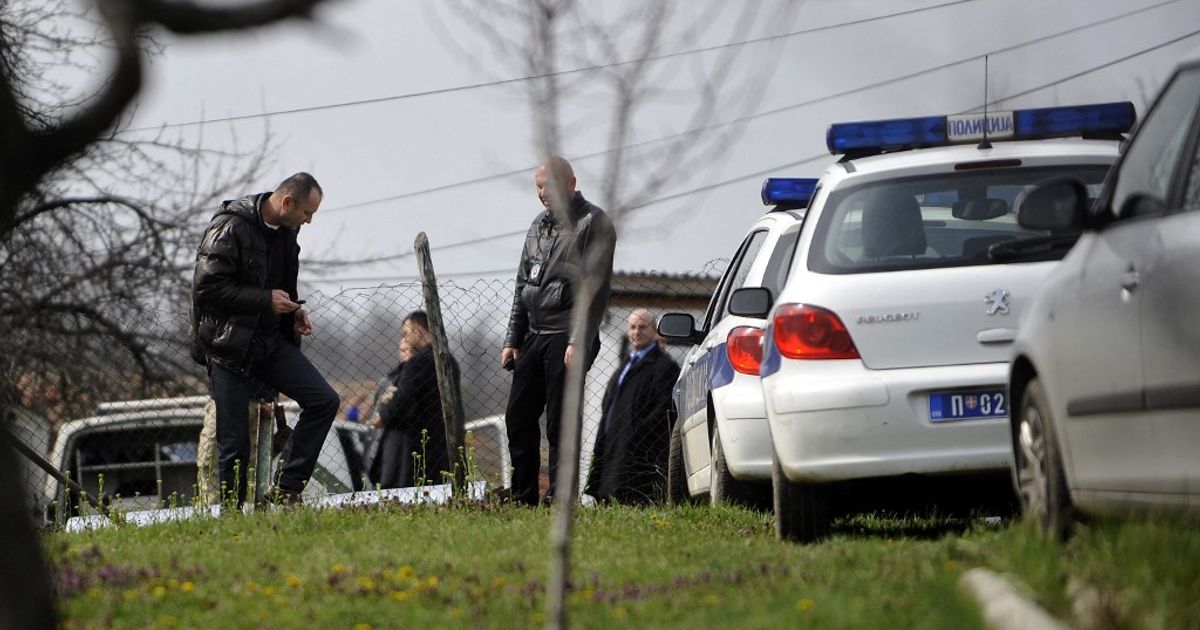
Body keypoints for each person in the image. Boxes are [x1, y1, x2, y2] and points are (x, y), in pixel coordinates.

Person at [191, 172, 340, 506]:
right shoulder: (229, 228)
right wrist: (264, 300)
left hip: (270, 342)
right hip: (228, 347)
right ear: (287, 202)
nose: (309, 220)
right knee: (235, 445)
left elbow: (279, 285)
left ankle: (287, 488)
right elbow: (207, 289)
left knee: (324, 400)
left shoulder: (287, 232)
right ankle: (232, 518)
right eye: (307, 213)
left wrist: (293, 310)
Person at [501, 156, 617, 506]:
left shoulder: (594, 223)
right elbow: (523, 285)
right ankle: (522, 498)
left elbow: (594, 290)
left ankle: (560, 500)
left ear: (570, 184)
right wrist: (513, 339)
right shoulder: (537, 226)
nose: (543, 193)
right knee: (518, 418)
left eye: (549, 185)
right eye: (538, 186)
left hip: (566, 335)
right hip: (534, 336)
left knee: (560, 424)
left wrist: (577, 340)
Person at [585, 309, 680, 505]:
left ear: (654, 331)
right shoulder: (627, 364)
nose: (637, 332)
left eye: (643, 327)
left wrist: (635, 432)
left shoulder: (664, 366)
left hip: (639, 451)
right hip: (612, 443)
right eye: (633, 327)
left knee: (628, 498)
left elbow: (663, 409)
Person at [374, 311, 461, 488]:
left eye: (406, 333)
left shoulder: (419, 362)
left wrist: (383, 413)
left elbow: (402, 401)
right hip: (440, 445)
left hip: (410, 448)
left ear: (419, 331)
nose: (405, 338)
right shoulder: (448, 361)